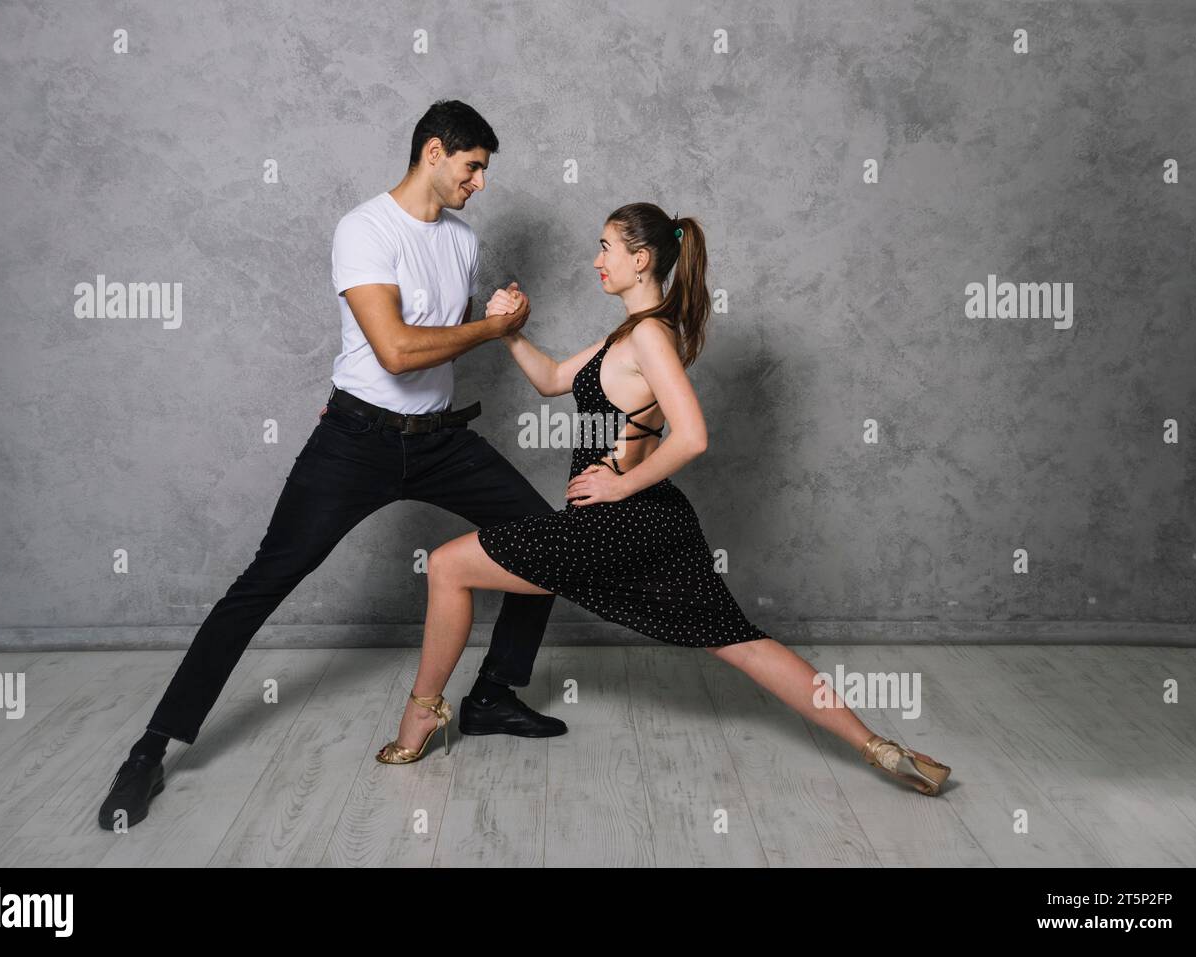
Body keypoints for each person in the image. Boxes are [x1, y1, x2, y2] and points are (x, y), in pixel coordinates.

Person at [98, 100, 570, 831]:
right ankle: (151, 748)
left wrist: (499, 316)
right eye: (474, 167)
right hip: (356, 442)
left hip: (441, 439)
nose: (480, 183)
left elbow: (450, 333)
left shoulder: (462, 241)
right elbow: (397, 350)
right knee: (262, 583)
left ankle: (491, 695)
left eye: (484, 172)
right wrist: (493, 328)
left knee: (547, 541)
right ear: (435, 153)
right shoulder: (364, 229)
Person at [373, 204, 952, 797]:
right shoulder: (632, 333)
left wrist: (619, 484)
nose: (596, 260)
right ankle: (882, 749)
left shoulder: (648, 335)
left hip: (617, 524)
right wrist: (510, 331)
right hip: (655, 524)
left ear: (641, 259)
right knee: (742, 643)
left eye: (605, 248)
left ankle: (420, 716)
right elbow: (550, 380)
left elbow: (693, 434)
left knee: (445, 566)